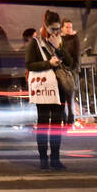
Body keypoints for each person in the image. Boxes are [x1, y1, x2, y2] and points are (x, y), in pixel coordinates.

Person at [25, 11, 75, 170]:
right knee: (43, 124)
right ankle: (43, 159)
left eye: (57, 29)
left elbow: (70, 62)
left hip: (59, 88)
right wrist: (49, 63)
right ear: (45, 26)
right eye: (53, 29)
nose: (56, 32)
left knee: (56, 125)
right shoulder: (35, 42)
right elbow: (30, 64)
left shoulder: (58, 40)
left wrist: (59, 46)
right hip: (44, 88)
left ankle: (55, 158)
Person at [59, 19, 80, 125]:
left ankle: (71, 120)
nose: (69, 29)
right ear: (62, 28)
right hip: (60, 71)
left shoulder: (74, 39)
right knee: (61, 98)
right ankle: (64, 118)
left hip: (71, 71)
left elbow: (76, 56)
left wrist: (73, 70)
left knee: (70, 98)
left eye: (70, 27)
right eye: (66, 27)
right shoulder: (59, 39)